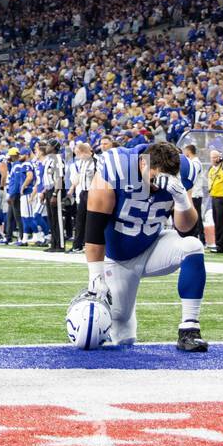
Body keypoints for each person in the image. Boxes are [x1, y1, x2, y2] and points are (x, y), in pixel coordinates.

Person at [83, 139, 207, 351]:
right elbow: (94, 228)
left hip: (152, 245)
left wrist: (181, 199)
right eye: (153, 179)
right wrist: (96, 276)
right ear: (143, 163)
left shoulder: (185, 170)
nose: (156, 186)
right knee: (122, 333)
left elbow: (186, 229)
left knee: (192, 246)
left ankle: (189, 330)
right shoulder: (115, 166)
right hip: (118, 257)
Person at [69, 141, 96, 253]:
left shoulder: (96, 161)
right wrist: (72, 188)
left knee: (90, 220)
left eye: (78, 153)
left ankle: (87, 244)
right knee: (79, 220)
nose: (77, 156)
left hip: (93, 192)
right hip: (83, 192)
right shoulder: (83, 162)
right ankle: (77, 245)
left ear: (84, 152)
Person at [206, 147, 223, 253]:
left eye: (215, 157)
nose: (212, 159)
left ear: (220, 158)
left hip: (222, 200)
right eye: (211, 157)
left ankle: (220, 246)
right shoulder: (211, 169)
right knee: (217, 222)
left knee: (221, 224)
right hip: (214, 198)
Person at [182, 143, 205, 246]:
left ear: (189, 151)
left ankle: (200, 239)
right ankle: (197, 238)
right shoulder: (192, 162)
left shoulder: (195, 163)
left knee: (196, 217)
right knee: (194, 217)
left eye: (185, 151)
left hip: (195, 194)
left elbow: (191, 176)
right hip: (192, 194)